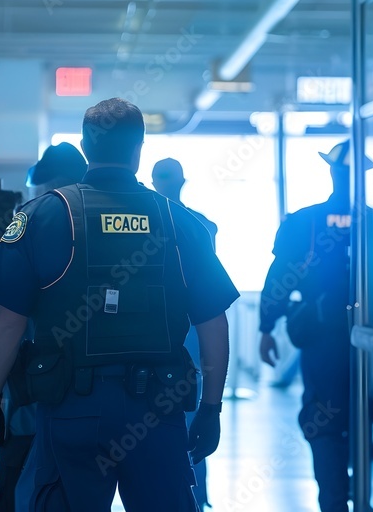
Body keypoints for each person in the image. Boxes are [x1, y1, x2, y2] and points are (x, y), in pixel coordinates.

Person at [0, 97, 238, 512]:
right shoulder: (179, 221)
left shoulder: (44, 216)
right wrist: (211, 407)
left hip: (72, 410)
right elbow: (214, 322)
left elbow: (7, 320)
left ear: (85, 146)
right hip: (156, 410)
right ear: (139, 149)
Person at [0, 143, 88, 512]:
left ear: (47, 183)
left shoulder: (34, 218)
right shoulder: (105, 216)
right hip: (106, 394)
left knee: (23, 486)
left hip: (36, 389)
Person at [257, 140, 365, 512]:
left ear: (332, 172)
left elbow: (280, 279)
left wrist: (267, 326)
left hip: (325, 341)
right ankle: (363, 493)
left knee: (324, 420)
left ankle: (336, 502)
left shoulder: (304, 222)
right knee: (367, 413)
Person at [151, 157, 216, 510]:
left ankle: (194, 498)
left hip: (187, 340)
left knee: (191, 424)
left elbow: (208, 301)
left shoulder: (201, 226)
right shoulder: (197, 226)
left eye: (168, 177)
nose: (166, 184)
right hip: (161, 341)